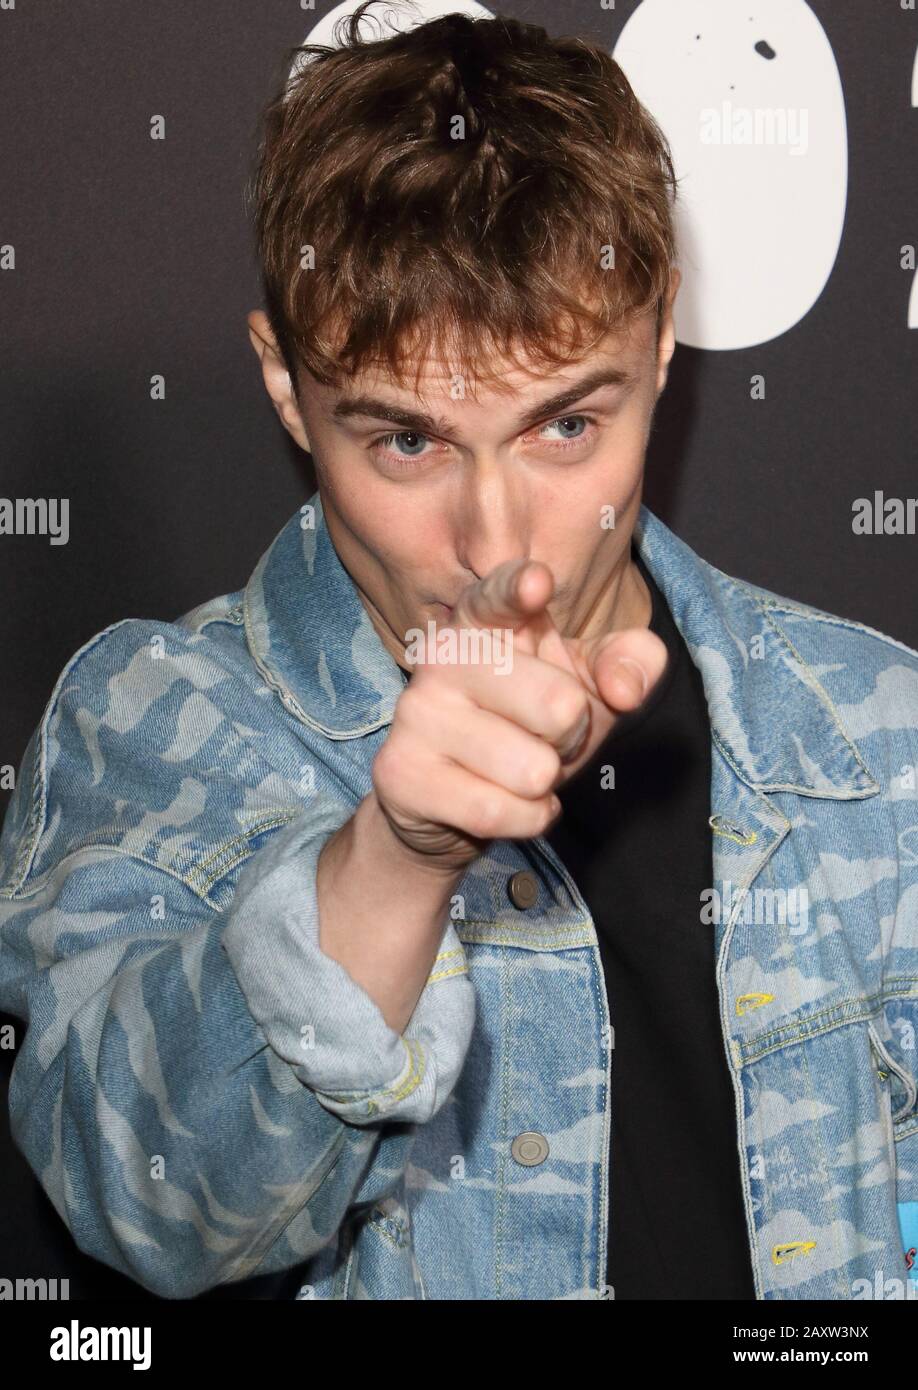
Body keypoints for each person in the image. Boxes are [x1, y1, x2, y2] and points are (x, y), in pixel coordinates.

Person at [2, 3, 917, 1302]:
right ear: (284, 387)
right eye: (408, 443)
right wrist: (392, 862)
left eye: (564, 426)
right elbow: (149, 1200)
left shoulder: (879, 737)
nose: (495, 540)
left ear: (662, 338)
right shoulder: (158, 724)